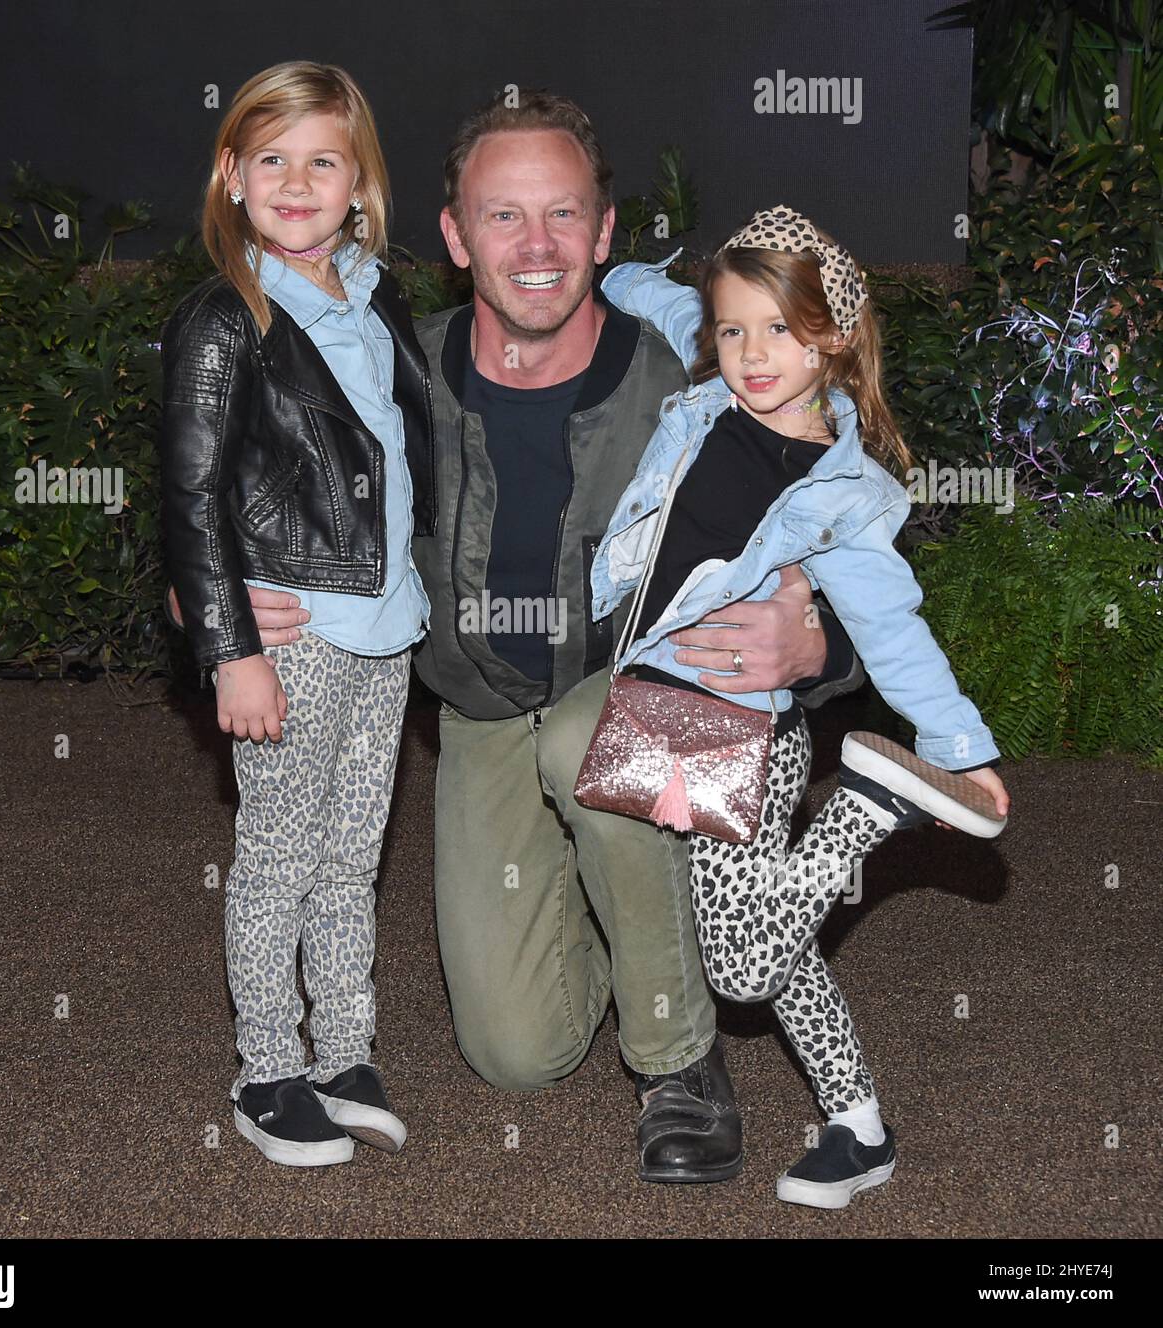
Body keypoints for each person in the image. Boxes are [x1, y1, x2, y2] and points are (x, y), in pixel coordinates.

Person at [204, 95, 867, 1184]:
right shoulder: (391, 369)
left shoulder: (702, 376)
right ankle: (644, 905)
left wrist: (816, 642)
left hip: (664, 692)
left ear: (605, 233)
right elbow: (239, 481)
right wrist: (215, 597)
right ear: (456, 237)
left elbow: (855, 532)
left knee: (582, 738)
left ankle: (680, 1059)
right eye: (502, 218)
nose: (538, 246)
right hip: (482, 707)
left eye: (563, 215)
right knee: (516, 1052)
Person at [591, 204, 1011, 1207]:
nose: (750, 352)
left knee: (737, 967)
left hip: (742, 729)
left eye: (779, 329)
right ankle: (857, 1126)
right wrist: (610, 273)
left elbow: (894, 627)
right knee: (774, 946)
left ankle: (872, 806)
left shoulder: (841, 491)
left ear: (831, 334)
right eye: (734, 331)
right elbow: (665, 302)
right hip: (665, 710)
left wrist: (961, 746)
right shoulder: (706, 402)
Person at [158, 61, 436, 1168]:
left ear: (360, 185)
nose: (295, 179)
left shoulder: (378, 298)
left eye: (323, 159)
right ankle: (267, 1067)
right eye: (269, 157)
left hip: (387, 632)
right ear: (230, 176)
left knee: (352, 853)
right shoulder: (223, 318)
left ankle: (345, 1050)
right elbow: (188, 495)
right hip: (294, 637)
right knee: (277, 853)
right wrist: (227, 648)